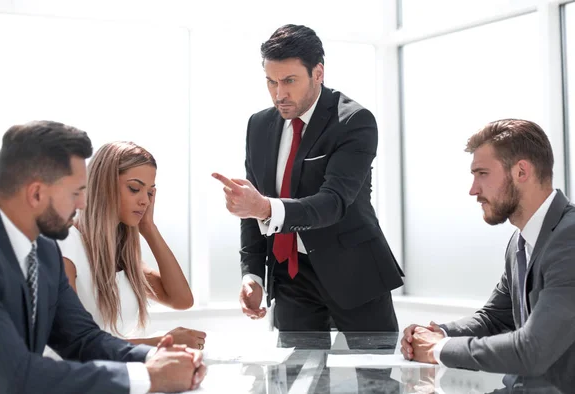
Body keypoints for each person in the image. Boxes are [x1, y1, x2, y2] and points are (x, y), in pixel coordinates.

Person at [0, 121, 206, 393]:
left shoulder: (46, 252)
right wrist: (149, 377)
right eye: (75, 193)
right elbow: (15, 374)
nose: (83, 204)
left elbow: (83, 339)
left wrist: (157, 358)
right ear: (36, 193)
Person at [212, 24, 404, 336]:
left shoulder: (354, 121)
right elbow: (252, 201)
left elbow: (333, 202)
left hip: (354, 271)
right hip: (290, 275)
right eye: (271, 82)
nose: (279, 94)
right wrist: (253, 274)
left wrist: (264, 208)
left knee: (378, 378)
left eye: (289, 81)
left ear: (318, 73)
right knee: (295, 382)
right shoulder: (258, 125)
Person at [400, 119, 575, 393]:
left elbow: (533, 349)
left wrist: (439, 349)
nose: (473, 189)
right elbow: (495, 318)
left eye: (482, 173)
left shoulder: (570, 238)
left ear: (521, 172)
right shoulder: (520, 241)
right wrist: (439, 333)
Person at [59, 141, 206, 350]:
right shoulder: (65, 244)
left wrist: (149, 228)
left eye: (149, 192)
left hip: (111, 375)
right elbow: (72, 343)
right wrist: (160, 343)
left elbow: (182, 299)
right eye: (134, 188)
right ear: (103, 186)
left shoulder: (120, 254)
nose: (144, 201)